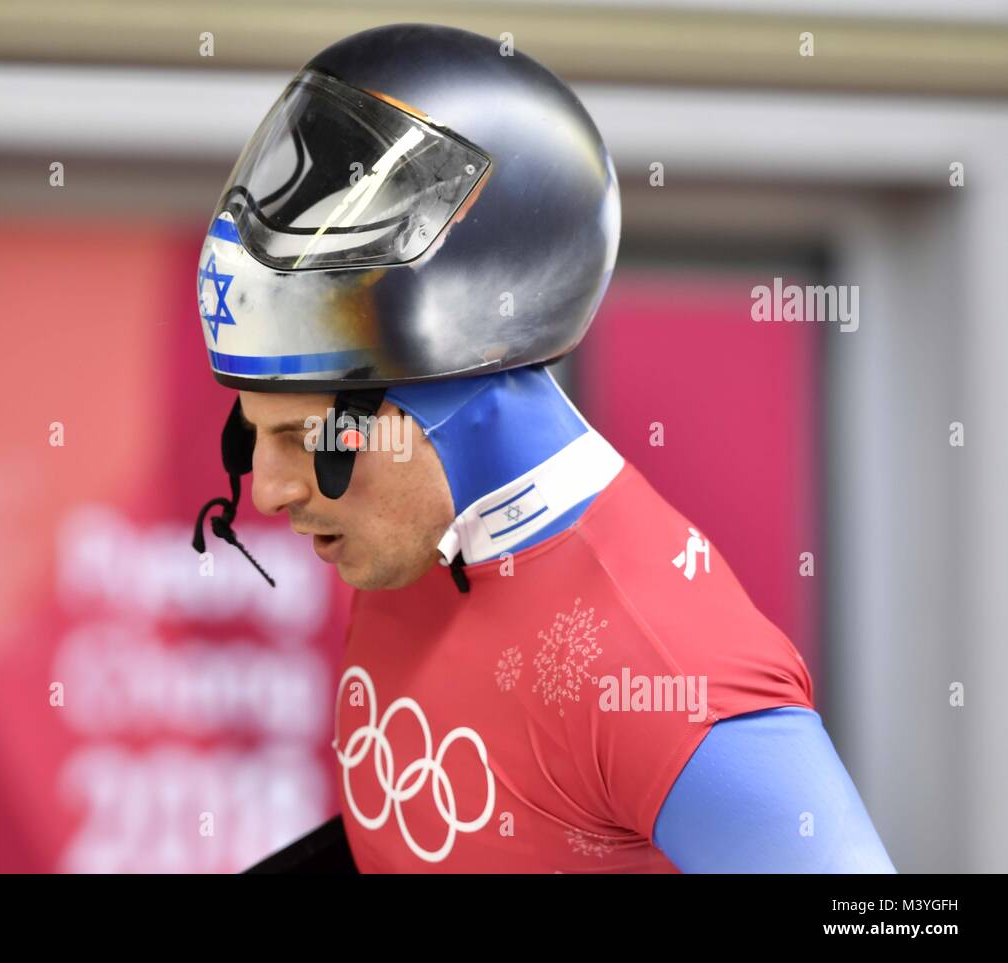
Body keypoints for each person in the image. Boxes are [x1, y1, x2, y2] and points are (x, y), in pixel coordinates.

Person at [193, 23, 895, 873]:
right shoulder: (420, 547)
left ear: (452, 391)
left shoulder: (667, 667)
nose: (268, 491)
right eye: (250, 432)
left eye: (306, 436)